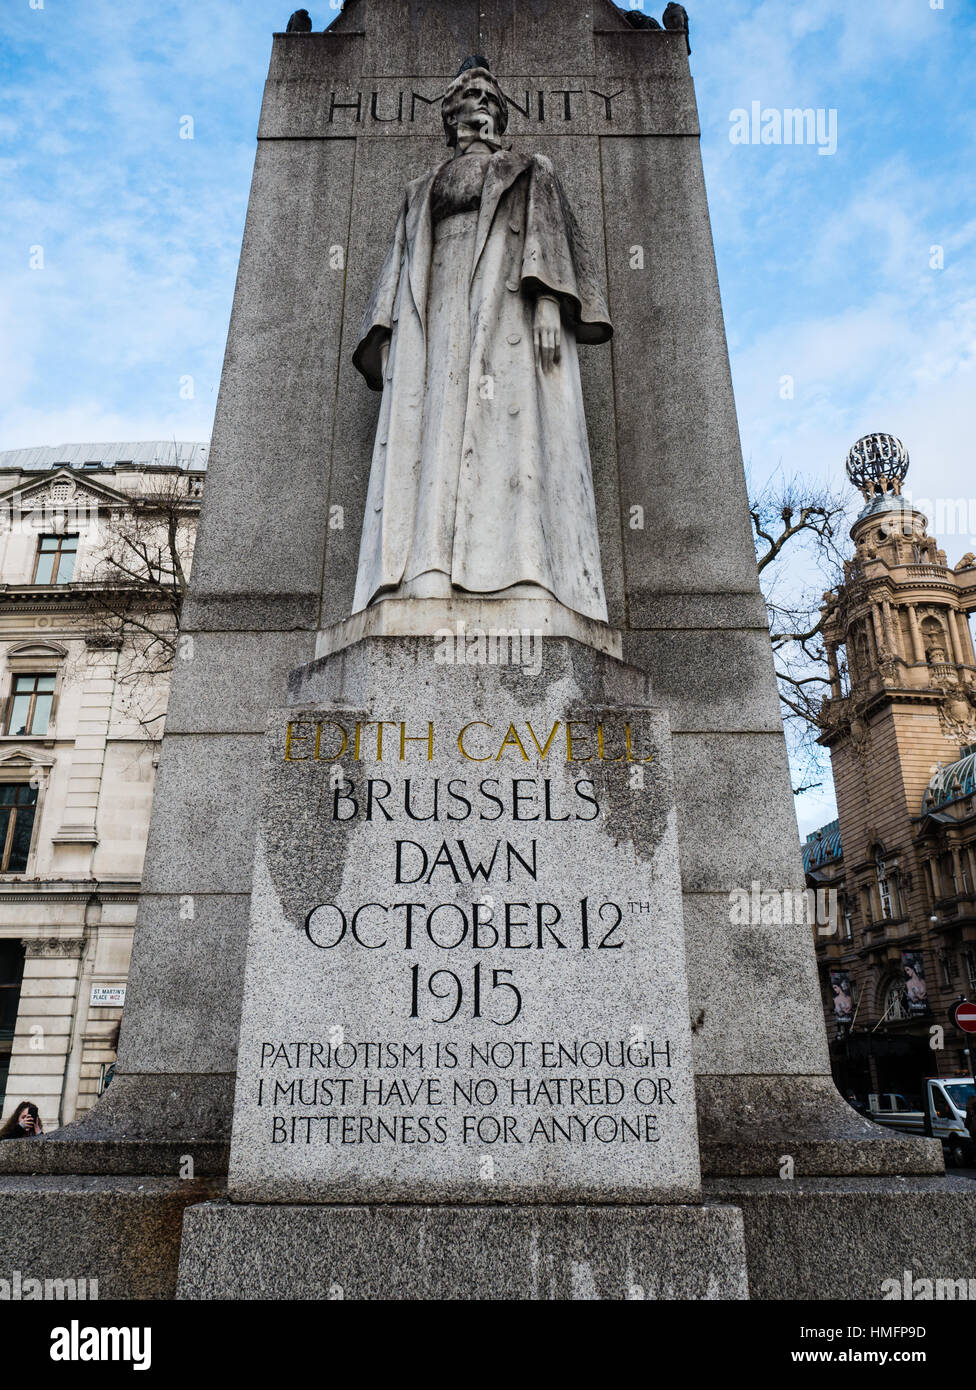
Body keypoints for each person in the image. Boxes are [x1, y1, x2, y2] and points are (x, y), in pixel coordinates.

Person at [352, 58, 612, 624]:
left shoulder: (530, 169)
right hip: (435, 315)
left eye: (492, 102)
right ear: (453, 117)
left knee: (508, 440)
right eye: (473, 101)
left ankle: (524, 571)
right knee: (435, 433)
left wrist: (548, 301)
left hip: (506, 308)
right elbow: (399, 266)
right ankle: (428, 570)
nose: (485, 110)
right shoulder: (421, 188)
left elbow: (548, 235)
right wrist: (389, 334)